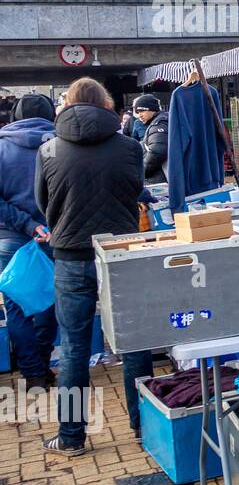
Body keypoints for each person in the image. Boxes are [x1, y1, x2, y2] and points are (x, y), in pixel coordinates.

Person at [35, 77, 152, 456]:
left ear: (67, 103)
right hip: (120, 253)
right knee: (135, 341)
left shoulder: (49, 149)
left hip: (70, 255)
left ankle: (71, 436)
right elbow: (135, 190)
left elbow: (42, 201)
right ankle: (145, 427)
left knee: (72, 348)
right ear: (107, 104)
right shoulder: (131, 147)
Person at [0, 94, 58, 389]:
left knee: (17, 305)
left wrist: (25, 224)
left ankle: (33, 372)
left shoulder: (0, 147)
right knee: (49, 300)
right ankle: (44, 362)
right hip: (53, 235)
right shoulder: (61, 145)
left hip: (10, 239)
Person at [133, 94, 169, 183]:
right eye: (137, 112)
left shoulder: (159, 123)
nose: (139, 115)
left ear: (152, 109)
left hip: (161, 178)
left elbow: (157, 152)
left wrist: (142, 172)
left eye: (142, 111)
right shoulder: (160, 120)